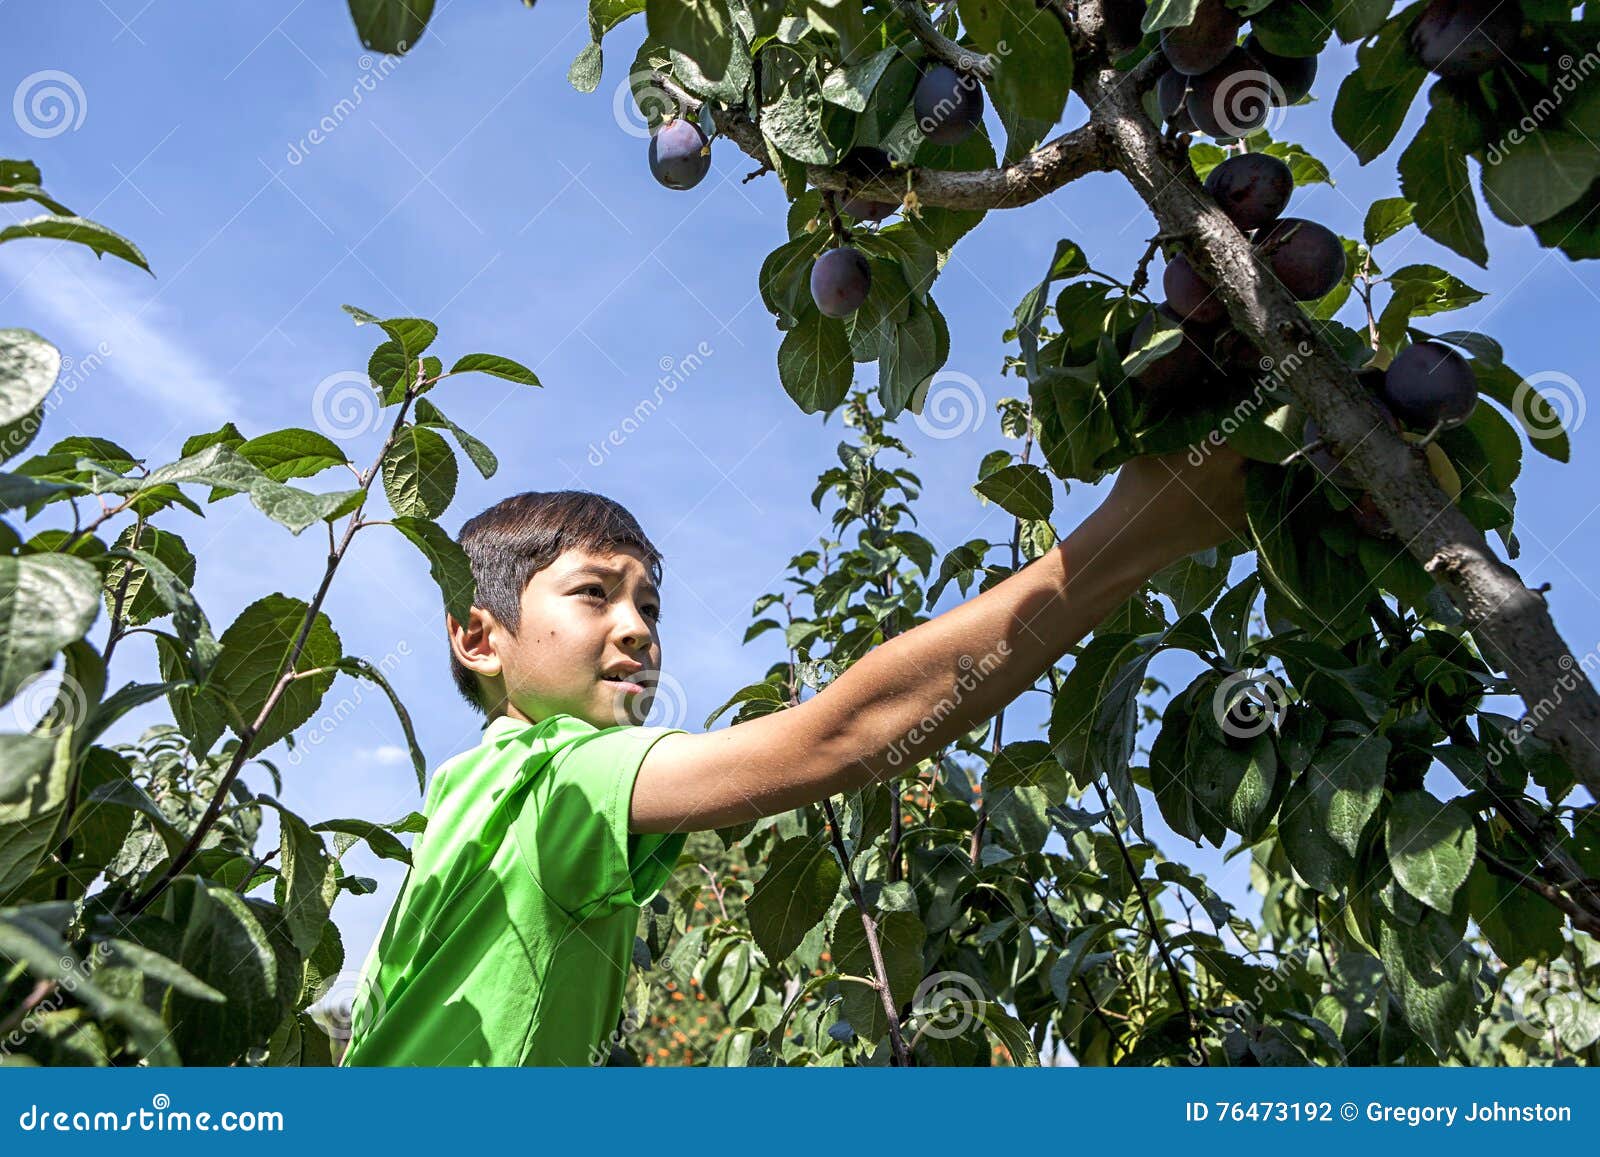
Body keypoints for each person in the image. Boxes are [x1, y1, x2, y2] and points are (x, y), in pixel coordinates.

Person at [339, 446, 1248, 1066]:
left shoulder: (463, 795)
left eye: (650, 605)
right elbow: (842, 734)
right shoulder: (558, 773)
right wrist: (1133, 534)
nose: (637, 629)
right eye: (594, 594)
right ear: (477, 637)